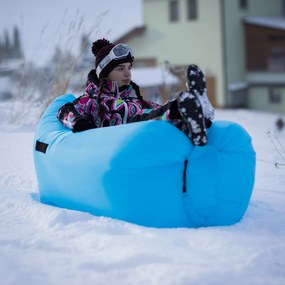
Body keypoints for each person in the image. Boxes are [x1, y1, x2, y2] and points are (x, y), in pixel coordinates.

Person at [57, 38, 214, 146]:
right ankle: (184, 107)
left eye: (129, 68)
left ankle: (195, 115)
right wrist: (79, 122)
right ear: (103, 73)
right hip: (116, 144)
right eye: (120, 69)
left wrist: (167, 107)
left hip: (143, 136)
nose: (128, 74)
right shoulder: (90, 101)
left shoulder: (135, 100)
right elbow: (64, 111)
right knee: (143, 118)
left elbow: (156, 109)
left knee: (158, 111)